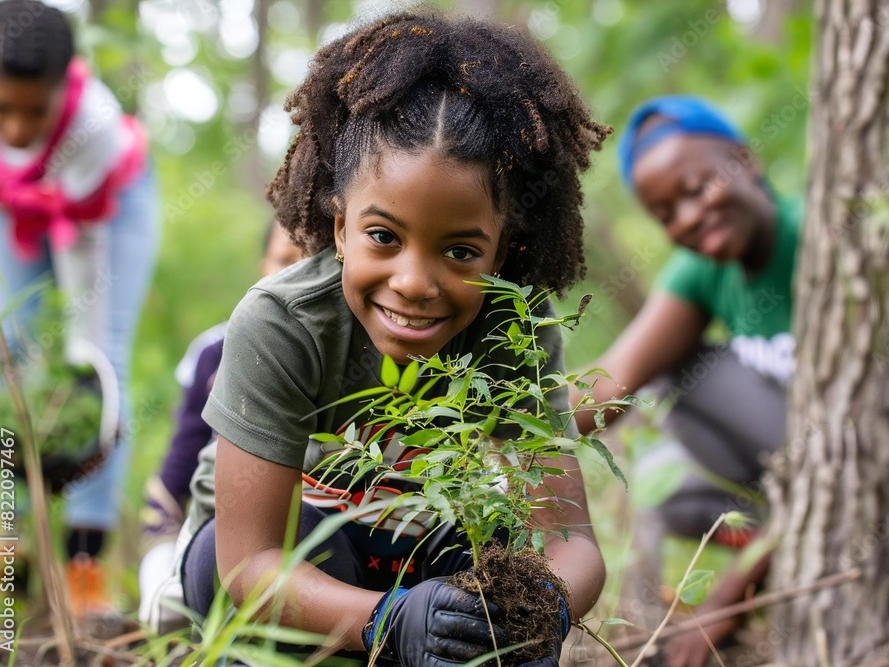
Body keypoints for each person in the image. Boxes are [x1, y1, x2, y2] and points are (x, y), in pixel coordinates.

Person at [180, 10, 610, 665]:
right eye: (384, 236)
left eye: (461, 249)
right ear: (340, 223)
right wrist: (385, 623)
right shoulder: (283, 323)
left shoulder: (515, 329)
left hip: (420, 557)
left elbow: (571, 546)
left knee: (500, 559)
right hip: (282, 577)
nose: (413, 282)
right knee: (297, 544)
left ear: (505, 248)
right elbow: (247, 562)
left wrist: (535, 609)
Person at [570, 95, 889, 667]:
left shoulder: (825, 240)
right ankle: (801, 556)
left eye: (696, 187)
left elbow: (847, 450)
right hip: (822, 475)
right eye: (665, 213)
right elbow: (605, 389)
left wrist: (725, 602)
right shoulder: (704, 270)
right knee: (668, 456)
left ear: (745, 161)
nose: (687, 217)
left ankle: (815, 561)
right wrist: (481, 425)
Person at [0, 0, 157, 622]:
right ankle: (11, 550)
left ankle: (85, 561)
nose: (15, 129)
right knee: (7, 361)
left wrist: (80, 411)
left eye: (36, 110)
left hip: (104, 207)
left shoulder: (95, 128)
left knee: (99, 365)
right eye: (0, 108)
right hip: (13, 206)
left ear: (67, 85)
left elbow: (85, 315)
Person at [137, 221, 302, 630]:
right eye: (283, 260)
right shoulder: (217, 351)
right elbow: (179, 465)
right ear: (263, 265)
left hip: (306, 537)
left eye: (308, 260)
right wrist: (162, 552)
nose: (296, 276)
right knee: (167, 609)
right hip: (223, 534)